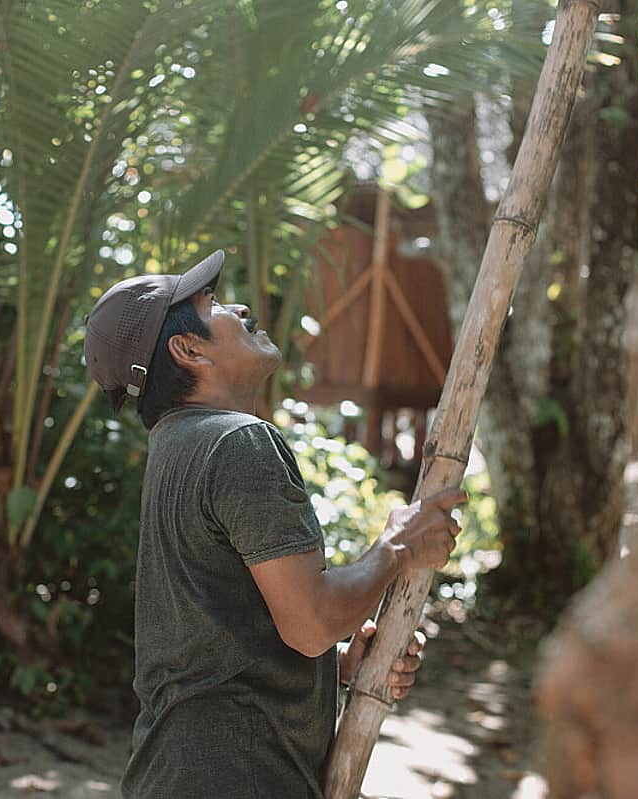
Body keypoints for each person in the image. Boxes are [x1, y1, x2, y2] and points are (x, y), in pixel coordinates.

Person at [83, 249, 466, 798]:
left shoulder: (177, 446)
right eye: (212, 303)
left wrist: (334, 668)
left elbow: (220, 639)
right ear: (188, 348)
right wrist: (399, 546)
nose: (239, 308)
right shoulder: (237, 440)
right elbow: (310, 623)